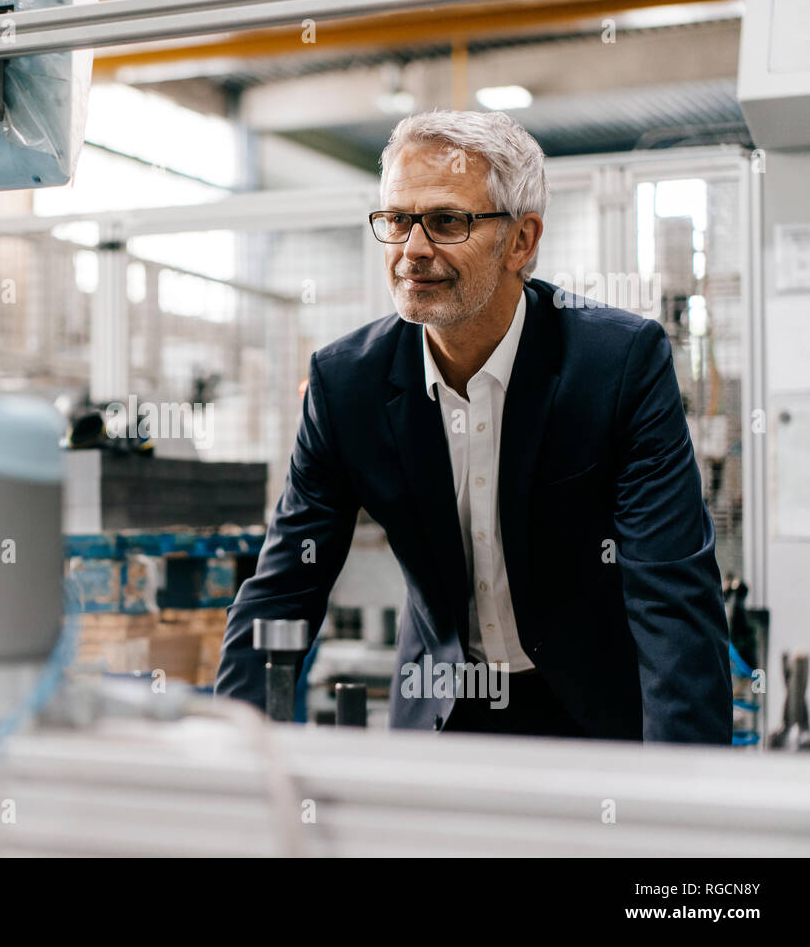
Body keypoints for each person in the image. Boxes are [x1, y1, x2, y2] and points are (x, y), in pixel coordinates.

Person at [214, 109, 731, 744]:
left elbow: (672, 596)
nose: (413, 250)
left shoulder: (618, 365)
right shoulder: (347, 382)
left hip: (596, 714)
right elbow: (283, 588)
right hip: (442, 712)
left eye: (447, 221)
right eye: (399, 221)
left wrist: (686, 793)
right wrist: (233, 751)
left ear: (522, 241)